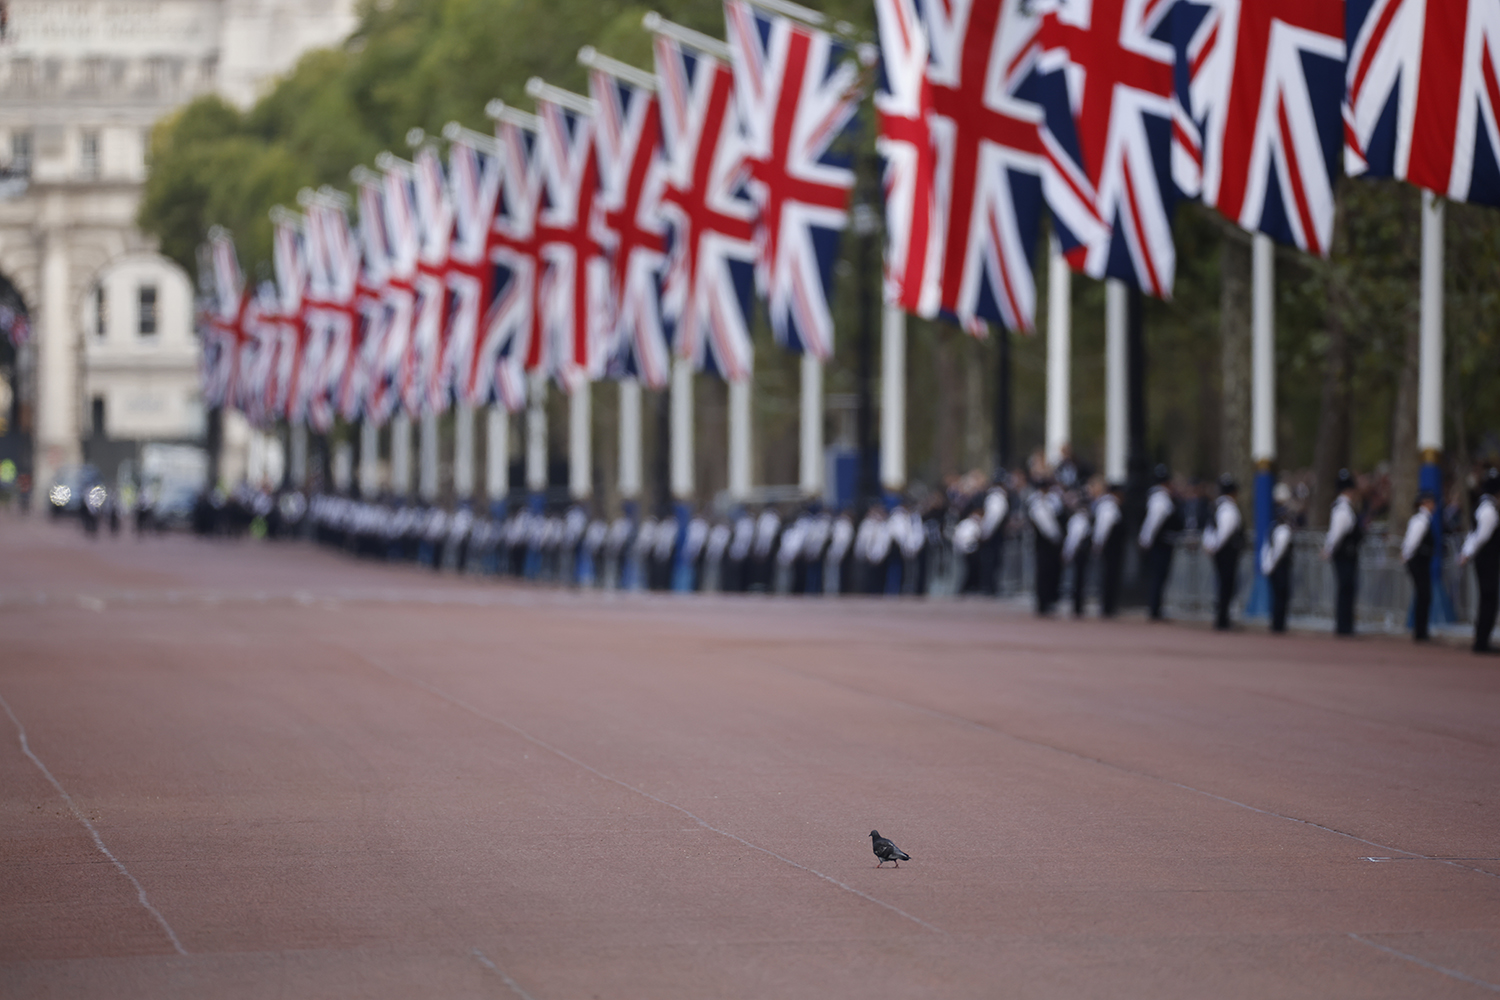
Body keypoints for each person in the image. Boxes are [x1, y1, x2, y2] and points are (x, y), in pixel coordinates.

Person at [1460, 469, 1500, 654]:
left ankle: (1481, 639)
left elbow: (1472, 534)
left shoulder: (1480, 506)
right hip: (1487, 560)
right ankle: (1482, 642)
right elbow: (1481, 537)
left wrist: (1466, 552)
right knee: (1489, 600)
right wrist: (1468, 553)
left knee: (1487, 599)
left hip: (1482, 559)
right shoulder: (1489, 510)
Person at [1321, 469, 1362, 636]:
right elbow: (1336, 533)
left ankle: (1345, 624)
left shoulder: (1341, 507)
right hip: (1345, 554)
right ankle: (1344, 626)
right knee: (1345, 588)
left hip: (1345, 553)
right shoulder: (1342, 509)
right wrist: (1328, 549)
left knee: (1346, 589)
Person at [1201, 474, 1245, 631]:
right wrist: (1215, 546)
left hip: (1219, 550)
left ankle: (1222, 616)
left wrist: (1209, 545)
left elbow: (1209, 529)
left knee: (1223, 585)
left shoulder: (1215, 506)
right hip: (1227, 552)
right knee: (1226, 585)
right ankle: (1222, 618)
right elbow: (1224, 532)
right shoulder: (1228, 508)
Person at [1138, 465, 1178, 620]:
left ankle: (1156, 606)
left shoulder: (1156, 497)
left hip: (1160, 542)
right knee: (1158, 576)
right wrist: (1146, 539)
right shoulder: (1160, 499)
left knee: (1160, 576)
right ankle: (1155, 608)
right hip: (1161, 544)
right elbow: (1153, 522)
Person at [1401, 491, 1437, 642]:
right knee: (1423, 594)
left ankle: (1421, 630)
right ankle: (1420, 631)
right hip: (1418, 561)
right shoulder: (1421, 520)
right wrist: (1406, 555)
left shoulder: (1422, 519)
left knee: (1423, 595)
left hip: (1418, 561)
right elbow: (1412, 540)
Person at [1028, 480, 1063, 615]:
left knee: (1051, 571)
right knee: (1044, 571)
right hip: (1045, 543)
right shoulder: (1038, 504)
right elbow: (1046, 526)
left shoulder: (1051, 501)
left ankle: (1049, 599)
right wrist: (1056, 537)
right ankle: (1043, 602)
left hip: (1049, 542)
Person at [1092, 483, 1126, 617]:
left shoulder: (1109, 505)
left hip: (1109, 546)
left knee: (1110, 575)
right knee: (1109, 576)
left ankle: (1109, 605)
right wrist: (1098, 544)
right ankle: (1107, 606)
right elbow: (1103, 527)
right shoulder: (1109, 506)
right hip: (1110, 547)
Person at [1260, 506, 1294, 633]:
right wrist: (1271, 565)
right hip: (1280, 566)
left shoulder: (1272, 528)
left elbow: (1266, 548)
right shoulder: (1283, 530)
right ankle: (1278, 624)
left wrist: (1266, 566)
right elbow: (1278, 551)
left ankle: (1277, 622)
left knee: (1277, 596)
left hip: (1273, 566)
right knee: (1281, 595)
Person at [1061, 489, 1092, 617]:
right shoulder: (1081, 518)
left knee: (1078, 579)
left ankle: (1078, 605)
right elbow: (1073, 538)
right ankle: (1077, 605)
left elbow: (1072, 539)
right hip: (1080, 551)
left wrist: (1067, 552)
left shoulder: (1078, 518)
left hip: (1079, 551)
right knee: (1078, 579)